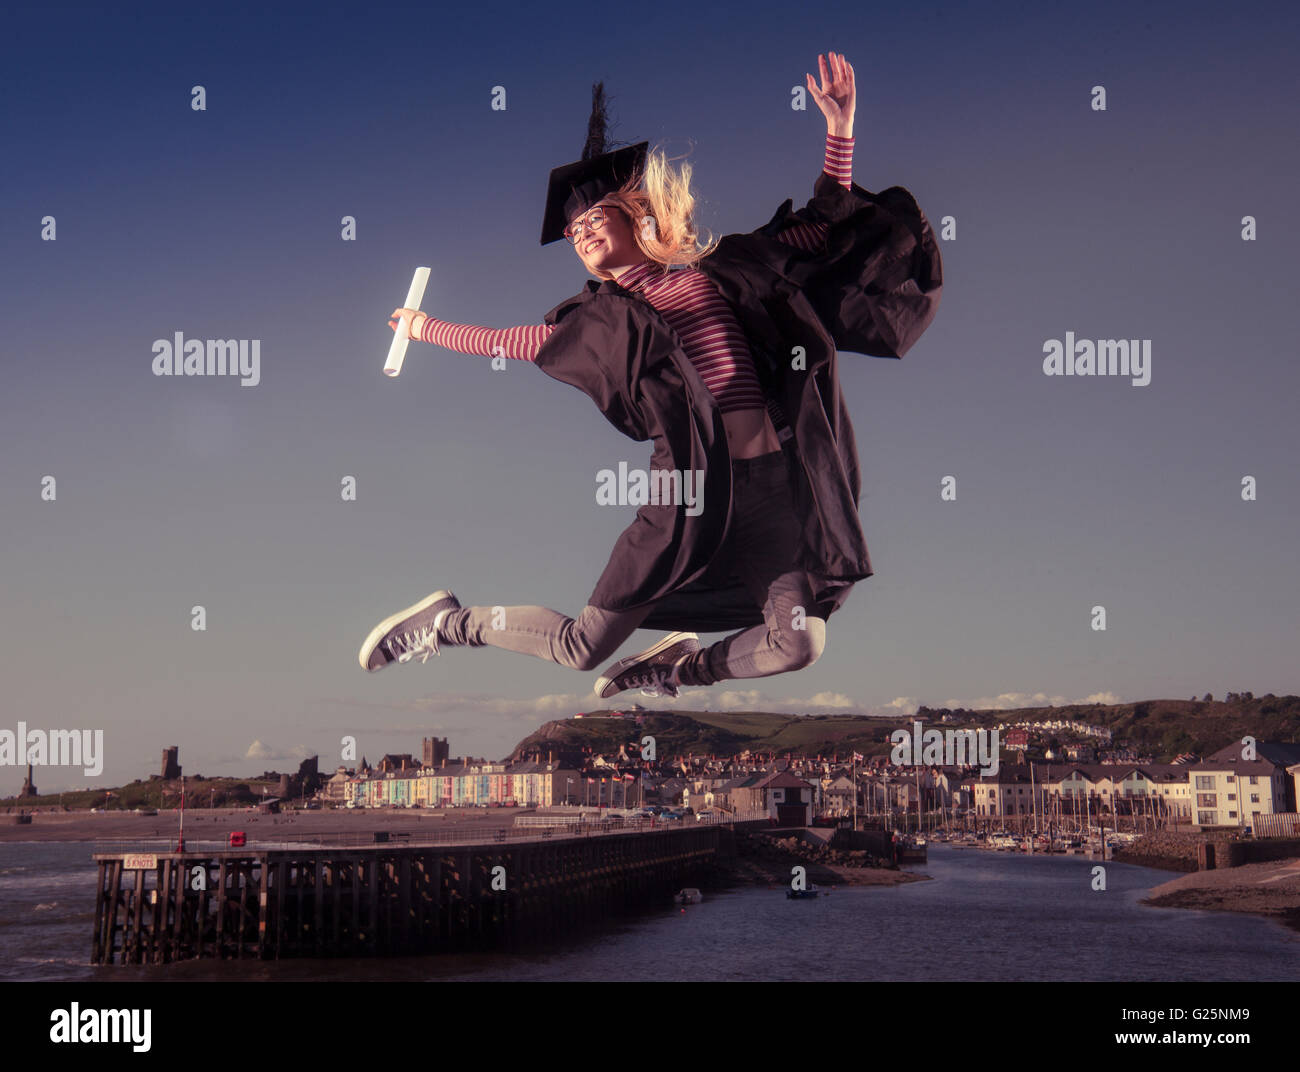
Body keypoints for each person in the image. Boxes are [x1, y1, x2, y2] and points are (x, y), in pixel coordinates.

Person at [360, 53, 942, 699]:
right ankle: (452, 622)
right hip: (690, 491)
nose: (580, 233)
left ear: (637, 215)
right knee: (581, 648)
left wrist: (841, 130)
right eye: (572, 230)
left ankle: (673, 669)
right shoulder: (606, 319)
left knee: (798, 644)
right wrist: (422, 328)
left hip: (775, 485)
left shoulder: (727, 268)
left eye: (592, 219)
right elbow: (512, 341)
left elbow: (820, 227)